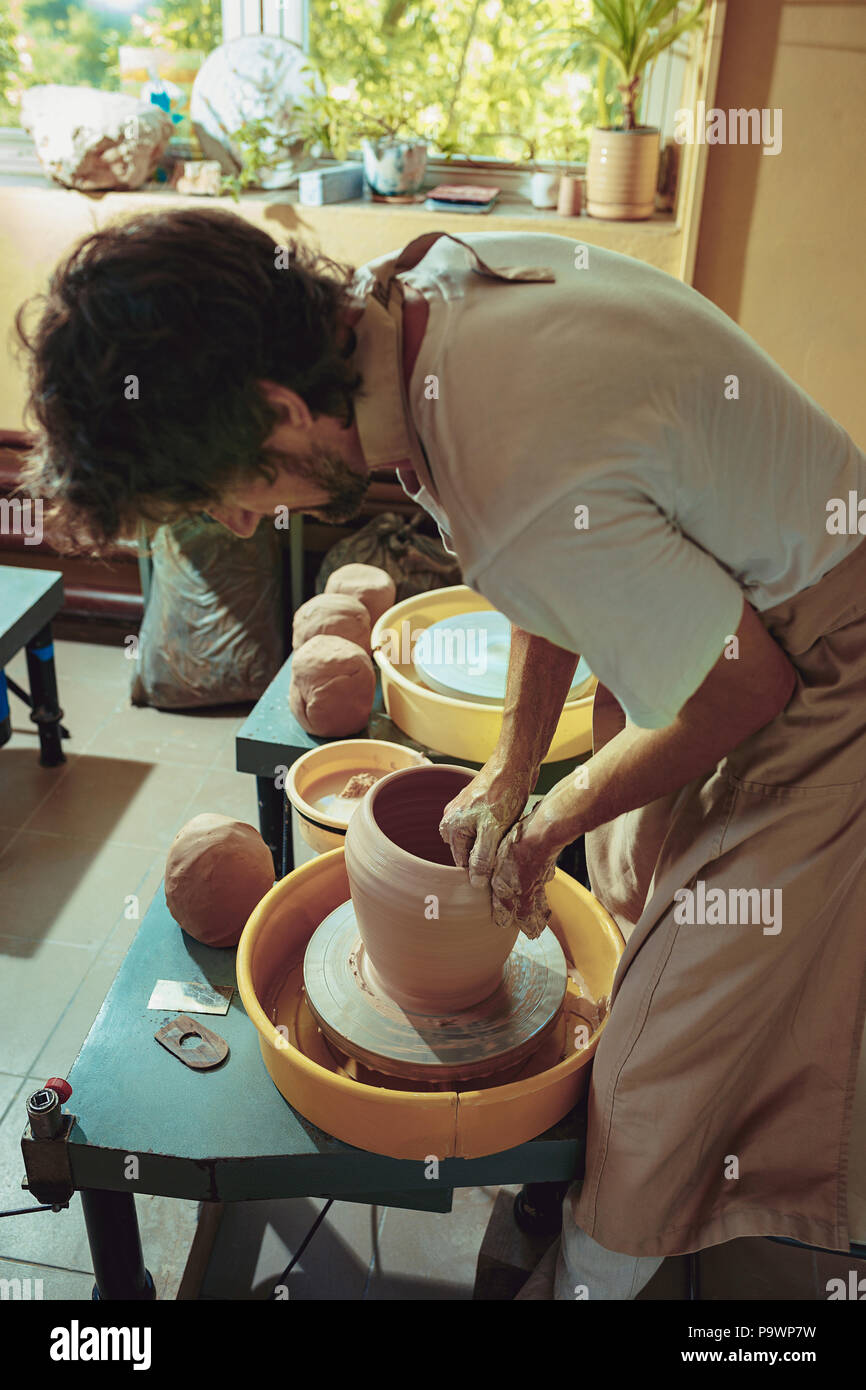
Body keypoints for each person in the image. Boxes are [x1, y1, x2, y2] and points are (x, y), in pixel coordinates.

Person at [16, 208, 866, 1298]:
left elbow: (744, 683)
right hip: (741, 593)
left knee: (663, 1053)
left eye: (224, 493)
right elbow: (549, 562)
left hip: (829, 656)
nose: (238, 523)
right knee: (624, 890)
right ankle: (573, 1187)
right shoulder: (413, 296)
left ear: (276, 408)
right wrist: (513, 771)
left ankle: (595, 1274)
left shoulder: (506, 448)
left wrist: (554, 815)